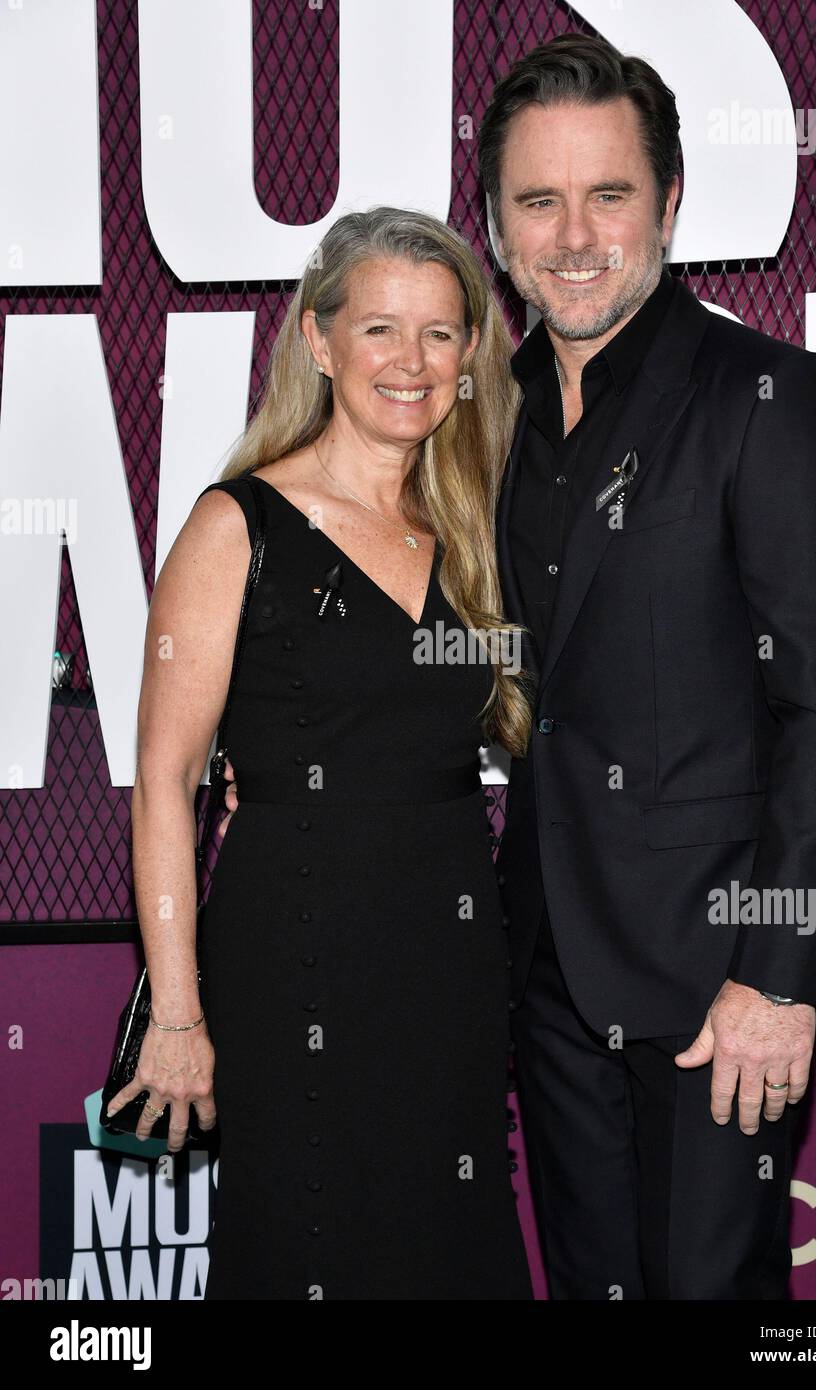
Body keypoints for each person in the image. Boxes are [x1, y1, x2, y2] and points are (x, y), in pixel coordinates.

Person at [476, 34, 816, 1299]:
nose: (574, 234)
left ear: (669, 204)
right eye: (537, 201)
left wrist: (776, 979)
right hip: (547, 974)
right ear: (494, 228)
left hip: (716, 982)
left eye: (609, 194)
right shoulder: (485, 419)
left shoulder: (774, 398)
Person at [114, 207, 535, 1300]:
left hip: (446, 954)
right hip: (291, 947)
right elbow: (166, 780)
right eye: (381, 330)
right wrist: (176, 1012)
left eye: (441, 335)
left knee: (447, 1237)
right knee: (308, 1235)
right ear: (317, 339)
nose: (411, 362)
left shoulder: (472, 529)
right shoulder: (236, 525)